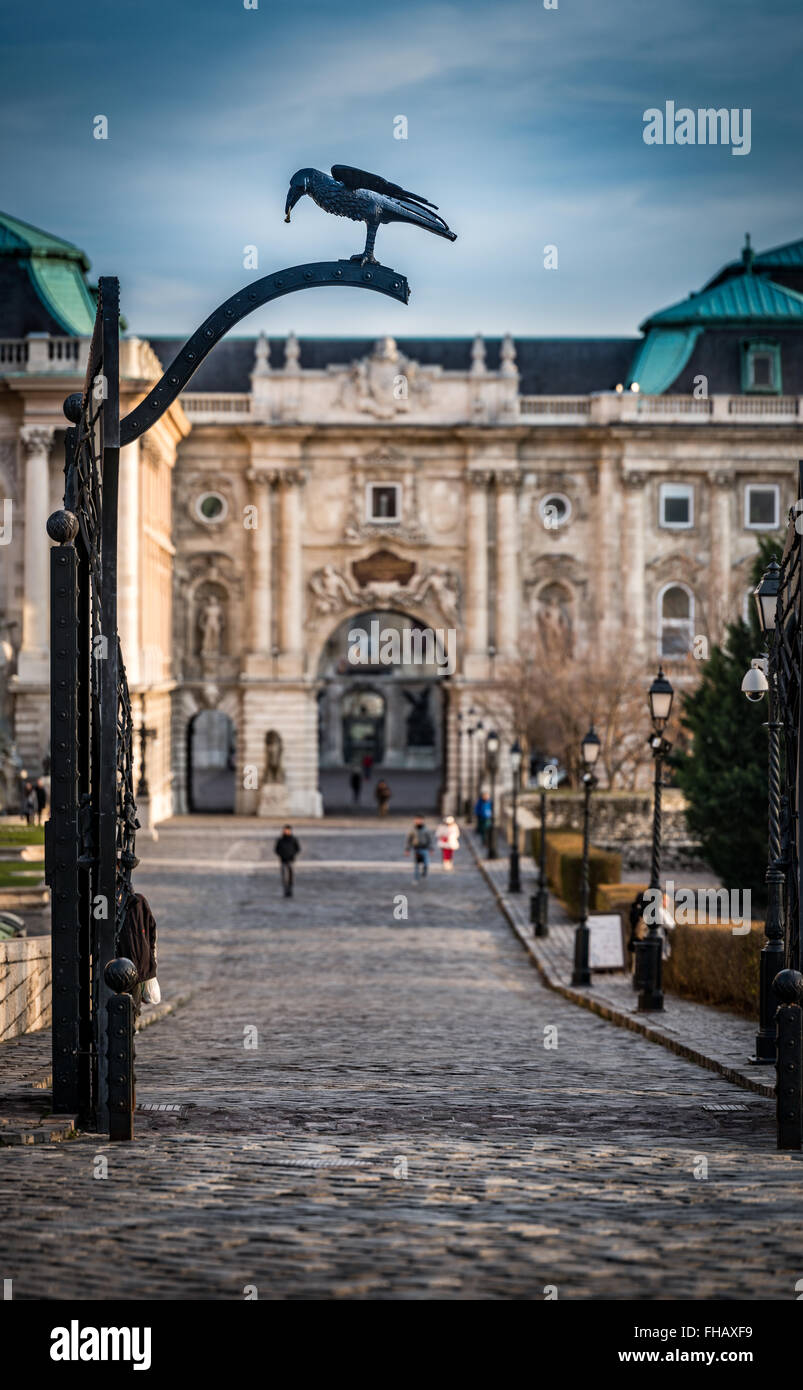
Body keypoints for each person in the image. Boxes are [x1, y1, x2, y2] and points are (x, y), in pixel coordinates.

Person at [274, 824, 301, 897]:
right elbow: (276, 849)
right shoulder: (280, 840)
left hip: (291, 860)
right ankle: (285, 890)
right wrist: (281, 854)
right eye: (285, 830)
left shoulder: (294, 839)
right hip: (283, 860)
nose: (286, 831)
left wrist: (292, 854)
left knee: (291, 875)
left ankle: (290, 889)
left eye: (287, 830)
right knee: (284, 876)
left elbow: (298, 849)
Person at [404, 817, 432, 881]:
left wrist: (431, 848)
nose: (418, 821)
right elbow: (408, 840)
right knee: (416, 865)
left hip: (424, 848)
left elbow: (429, 840)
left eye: (420, 820)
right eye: (417, 820)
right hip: (416, 849)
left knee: (426, 863)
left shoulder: (426, 830)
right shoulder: (412, 830)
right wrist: (407, 849)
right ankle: (416, 878)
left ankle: (424, 873)